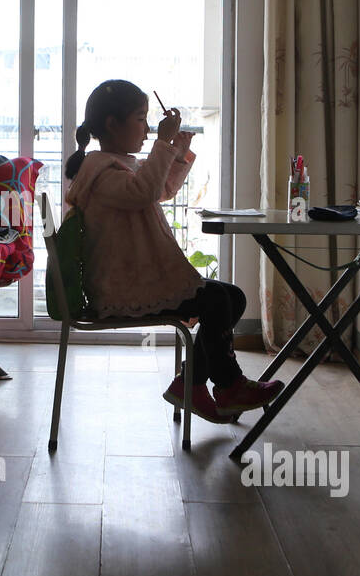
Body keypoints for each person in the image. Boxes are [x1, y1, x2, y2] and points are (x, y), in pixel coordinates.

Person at [64, 79, 282, 422]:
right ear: (111, 123)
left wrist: (175, 151)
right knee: (217, 300)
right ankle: (225, 385)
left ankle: (193, 383)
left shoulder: (116, 163)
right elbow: (143, 192)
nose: (147, 128)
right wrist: (163, 142)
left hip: (136, 281)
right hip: (122, 289)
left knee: (233, 297)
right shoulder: (100, 171)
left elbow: (159, 188)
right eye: (140, 118)